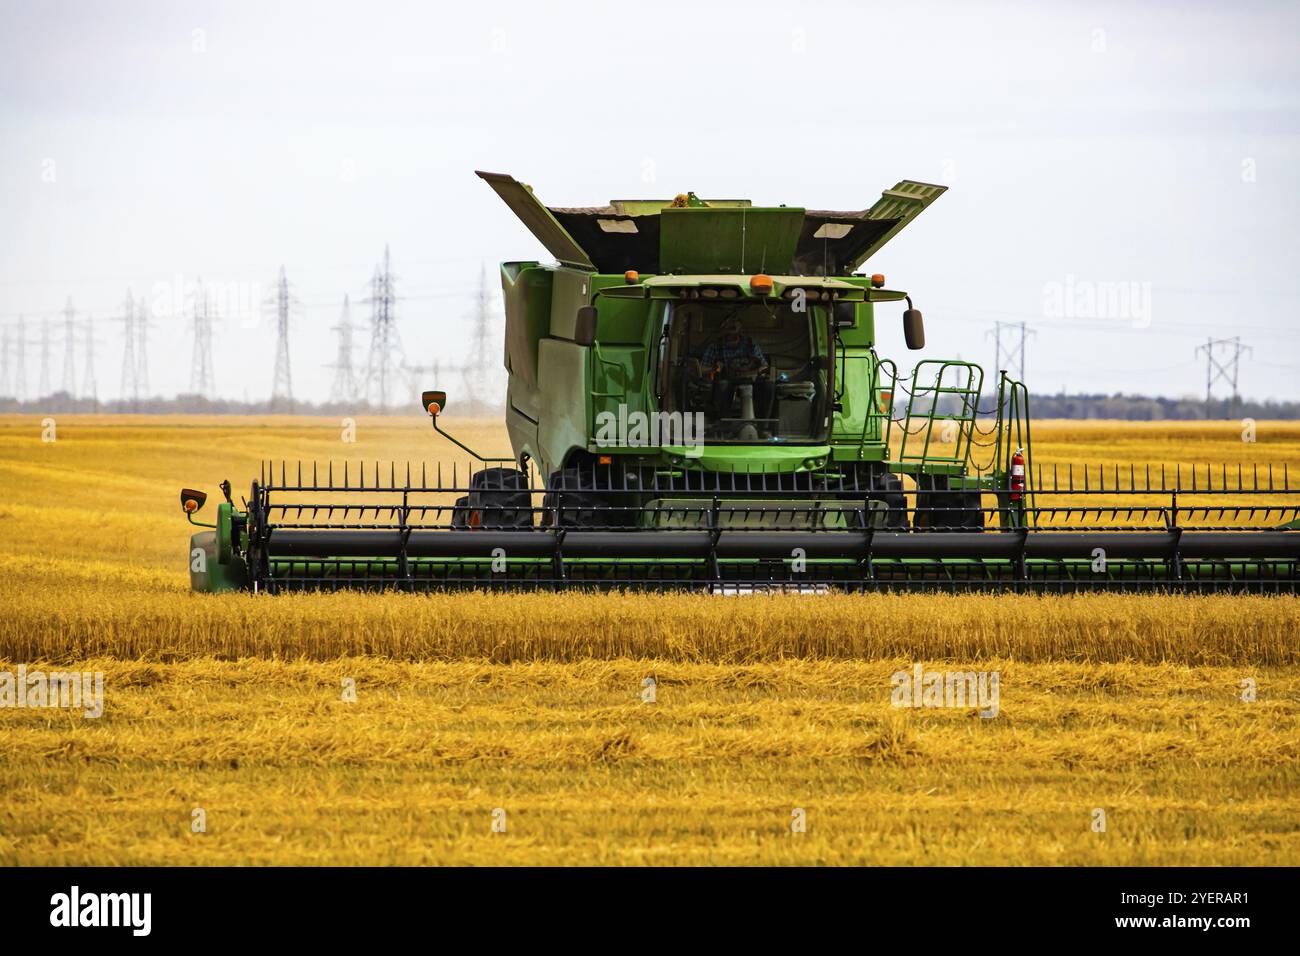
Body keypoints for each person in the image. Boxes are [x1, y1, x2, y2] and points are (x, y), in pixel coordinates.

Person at [702, 316, 774, 422]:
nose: (732, 328)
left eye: (735, 324)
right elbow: (702, 368)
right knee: (722, 385)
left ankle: (762, 423)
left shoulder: (751, 345)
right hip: (728, 379)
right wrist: (715, 368)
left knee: (769, 385)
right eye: (729, 324)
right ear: (723, 328)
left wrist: (758, 371)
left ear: (741, 328)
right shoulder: (715, 347)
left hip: (751, 380)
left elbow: (764, 366)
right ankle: (723, 423)